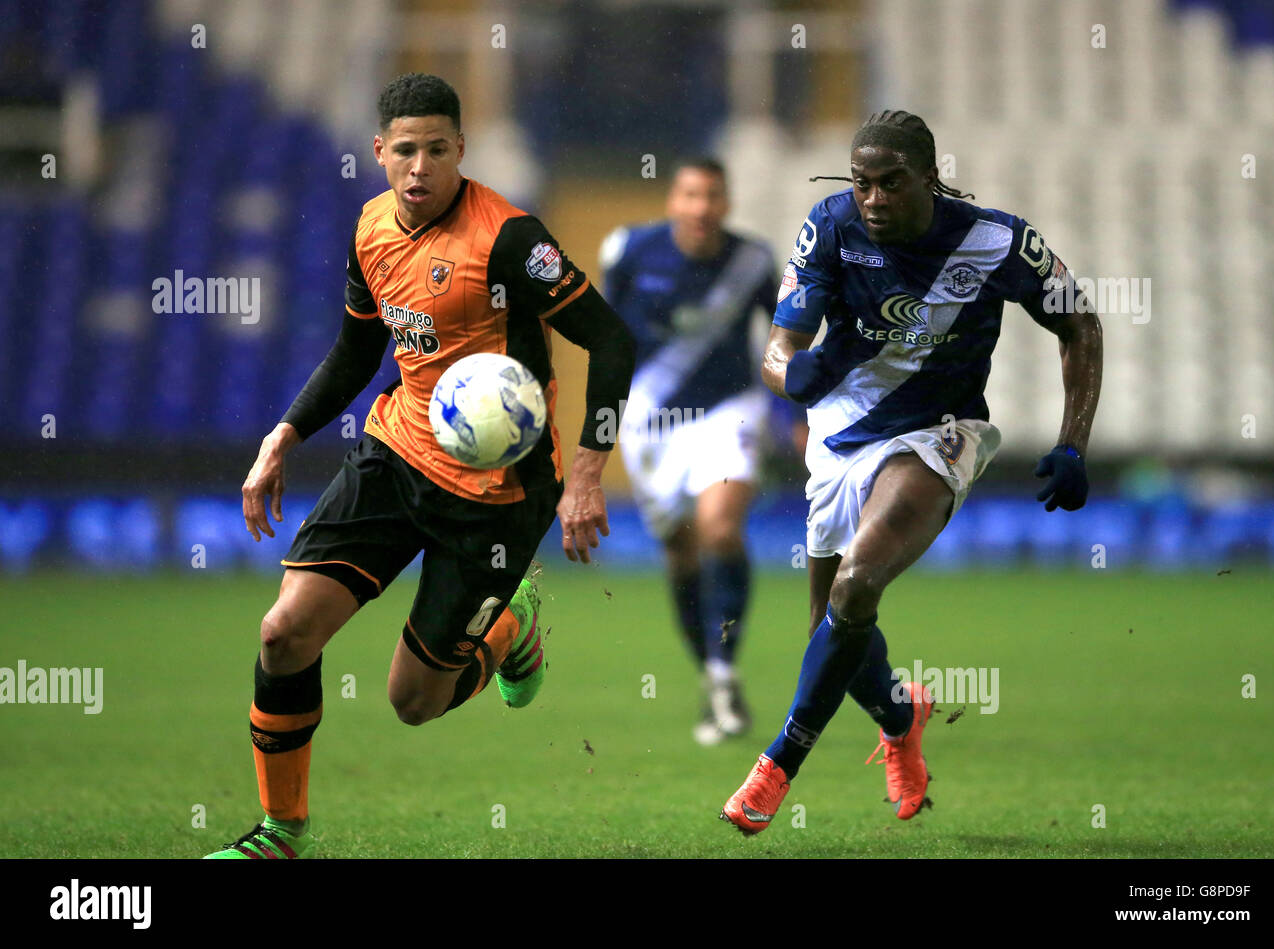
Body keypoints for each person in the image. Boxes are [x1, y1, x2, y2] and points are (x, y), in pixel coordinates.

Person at [207, 73, 636, 858]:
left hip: (496, 495)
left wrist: (585, 470)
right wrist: (284, 435)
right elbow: (357, 349)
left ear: (461, 151)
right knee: (283, 635)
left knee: (412, 701)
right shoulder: (371, 228)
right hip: (397, 454)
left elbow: (610, 339)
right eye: (405, 150)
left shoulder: (510, 239)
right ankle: (281, 832)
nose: (419, 167)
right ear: (379, 153)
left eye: (437, 150)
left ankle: (510, 629)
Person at [721, 110, 1102, 833]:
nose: (873, 200)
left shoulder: (997, 241)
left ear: (929, 177)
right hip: (839, 434)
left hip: (940, 431)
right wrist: (791, 374)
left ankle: (777, 764)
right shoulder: (831, 226)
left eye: (891, 184)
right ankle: (901, 715)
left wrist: (1073, 440)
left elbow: (1079, 321)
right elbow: (779, 347)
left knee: (857, 582)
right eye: (862, 183)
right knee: (831, 628)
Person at [599, 158, 778, 745]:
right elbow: (605, 340)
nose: (702, 207)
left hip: (729, 410)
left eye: (714, 197)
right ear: (674, 201)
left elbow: (785, 340)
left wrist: (799, 413)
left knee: (720, 531)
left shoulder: (753, 262)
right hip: (651, 422)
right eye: (691, 195)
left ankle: (725, 669)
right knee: (680, 556)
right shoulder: (627, 252)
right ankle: (714, 679)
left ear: (726, 204)